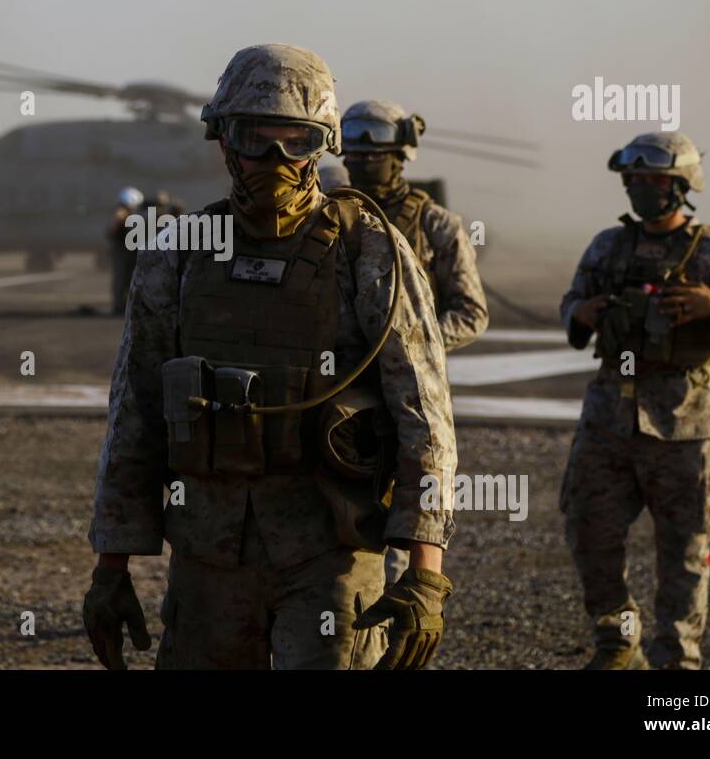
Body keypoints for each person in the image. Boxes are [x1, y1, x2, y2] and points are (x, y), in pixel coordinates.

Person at [83, 43, 458, 669]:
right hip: (209, 558)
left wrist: (425, 571)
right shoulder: (179, 253)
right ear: (224, 140)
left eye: (298, 140)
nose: (274, 161)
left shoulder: (369, 251)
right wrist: (111, 564)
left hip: (330, 555)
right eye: (256, 139)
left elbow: (424, 413)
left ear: (324, 145)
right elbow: (135, 414)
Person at [559, 132, 710, 669]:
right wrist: (582, 313)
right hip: (608, 423)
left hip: (686, 426)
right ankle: (617, 639)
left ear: (681, 185)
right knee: (589, 530)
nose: (641, 187)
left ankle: (675, 660)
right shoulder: (606, 247)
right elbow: (570, 302)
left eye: (654, 179)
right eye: (633, 179)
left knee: (684, 554)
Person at [340, 99, 489, 585]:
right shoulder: (329, 217)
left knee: (400, 530)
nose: (361, 160)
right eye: (354, 151)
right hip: (334, 394)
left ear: (401, 154)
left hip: (404, 400)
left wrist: (410, 345)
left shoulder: (437, 226)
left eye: (373, 152)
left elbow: (470, 313)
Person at [106, 186, 144, 315]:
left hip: (133, 252)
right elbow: (111, 233)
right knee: (121, 279)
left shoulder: (136, 217)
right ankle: (119, 306)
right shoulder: (120, 216)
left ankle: (128, 306)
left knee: (131, 279)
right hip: (122, 252)